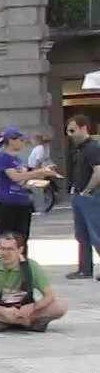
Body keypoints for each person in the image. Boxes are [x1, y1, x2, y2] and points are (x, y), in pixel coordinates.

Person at [0, 232, 68, 332]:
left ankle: (6, 323)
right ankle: (24, 323)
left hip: (26, 310)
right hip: (0, 310)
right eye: (2, 249)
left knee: (60, 306)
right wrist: (3, 311)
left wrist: (33, 307)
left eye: (10, 249)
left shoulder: (31, 266)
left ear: (20, 250)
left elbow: (50, 295)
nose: (5, 253)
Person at [0, 127, 55, 251]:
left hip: (21, 202)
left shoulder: (17, 160)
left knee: (22, 238)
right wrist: (37, 172)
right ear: (11, 140)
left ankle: (22, 264)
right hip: (7, 203)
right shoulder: (3, 158)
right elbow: (14, 177)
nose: (23, 143)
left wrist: (35, 181)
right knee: (7, 238)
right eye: (20, 140)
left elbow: (21, 181)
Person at [66, 115, 100, 280]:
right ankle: (85, 269)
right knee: (82, 234)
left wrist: (88, 190)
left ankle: (86, 268)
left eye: (72, 130)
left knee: (96, 233)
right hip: (79, 194)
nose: (70, 134)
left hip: (91, 196)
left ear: (83, 128)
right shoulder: (78, 149)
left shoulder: (93, 147)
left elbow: (98, 170)